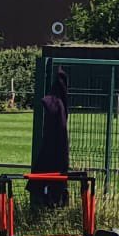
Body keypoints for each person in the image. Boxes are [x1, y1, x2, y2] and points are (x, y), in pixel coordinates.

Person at [30, 67, 73, 212]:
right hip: (56, 150)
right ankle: (48, 199)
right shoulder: (58, 106)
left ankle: (48, 199)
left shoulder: (56, 106)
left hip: (53, 149)